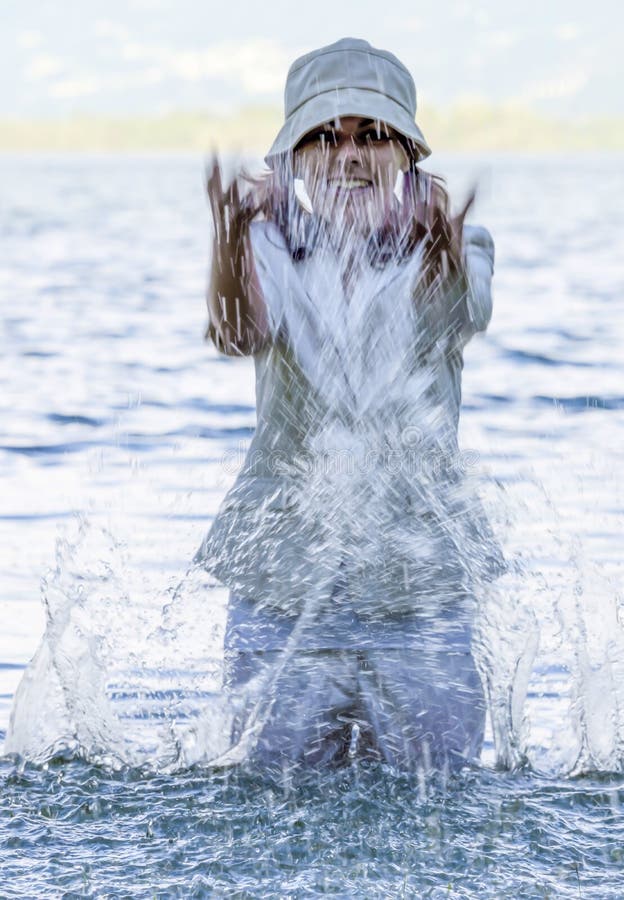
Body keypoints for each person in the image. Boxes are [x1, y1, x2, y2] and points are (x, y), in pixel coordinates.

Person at [194, 37, 505, 772]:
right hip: (283, 586)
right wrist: (227, 237)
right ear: (294, 159)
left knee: (441, 807)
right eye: (324, 137)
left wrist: (445, 255)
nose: (350, 156)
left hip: (418, 590)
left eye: (372, 135)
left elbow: (461, 310)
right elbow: (237, 334)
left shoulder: (461, 242)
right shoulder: (264, 246)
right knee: (269, 807)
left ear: (406, 153)